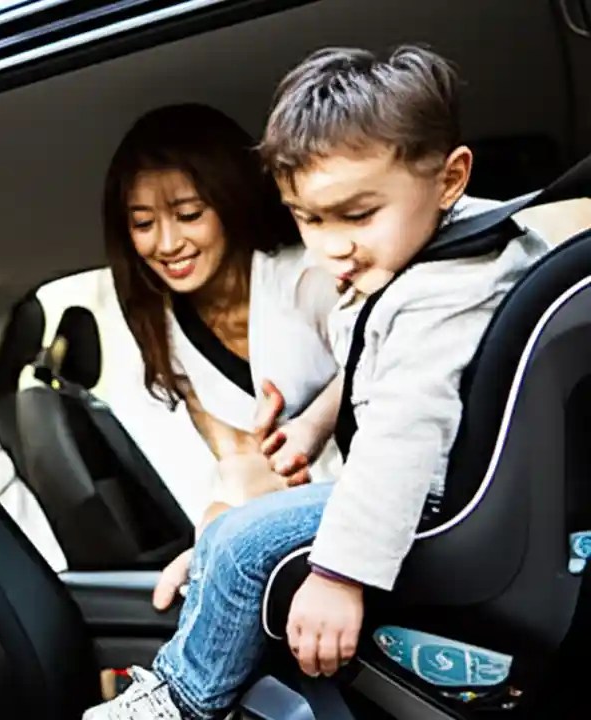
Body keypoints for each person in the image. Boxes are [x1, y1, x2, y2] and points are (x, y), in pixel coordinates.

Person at [84, 46, 547, 720]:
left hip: (433, 499)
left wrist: (338, 574)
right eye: (308, 219)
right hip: (418, 490)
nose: (331, 246)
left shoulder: (436, 290)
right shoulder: (397, 270)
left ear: (450, 181)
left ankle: (183, 697)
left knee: (244, 545)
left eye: (356, 216)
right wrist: (310, 425)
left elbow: (402, 435)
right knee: (227, 536)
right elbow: (363, 388)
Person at [102, 103, 342, 607]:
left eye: (189, 215)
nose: (167, 243)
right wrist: (207, 542)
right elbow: (240, 462)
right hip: (301, 540)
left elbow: (389, 364)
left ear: (230, 202)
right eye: (143, 223)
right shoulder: (169, 332)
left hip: (382, 515)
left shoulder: (307, 280)